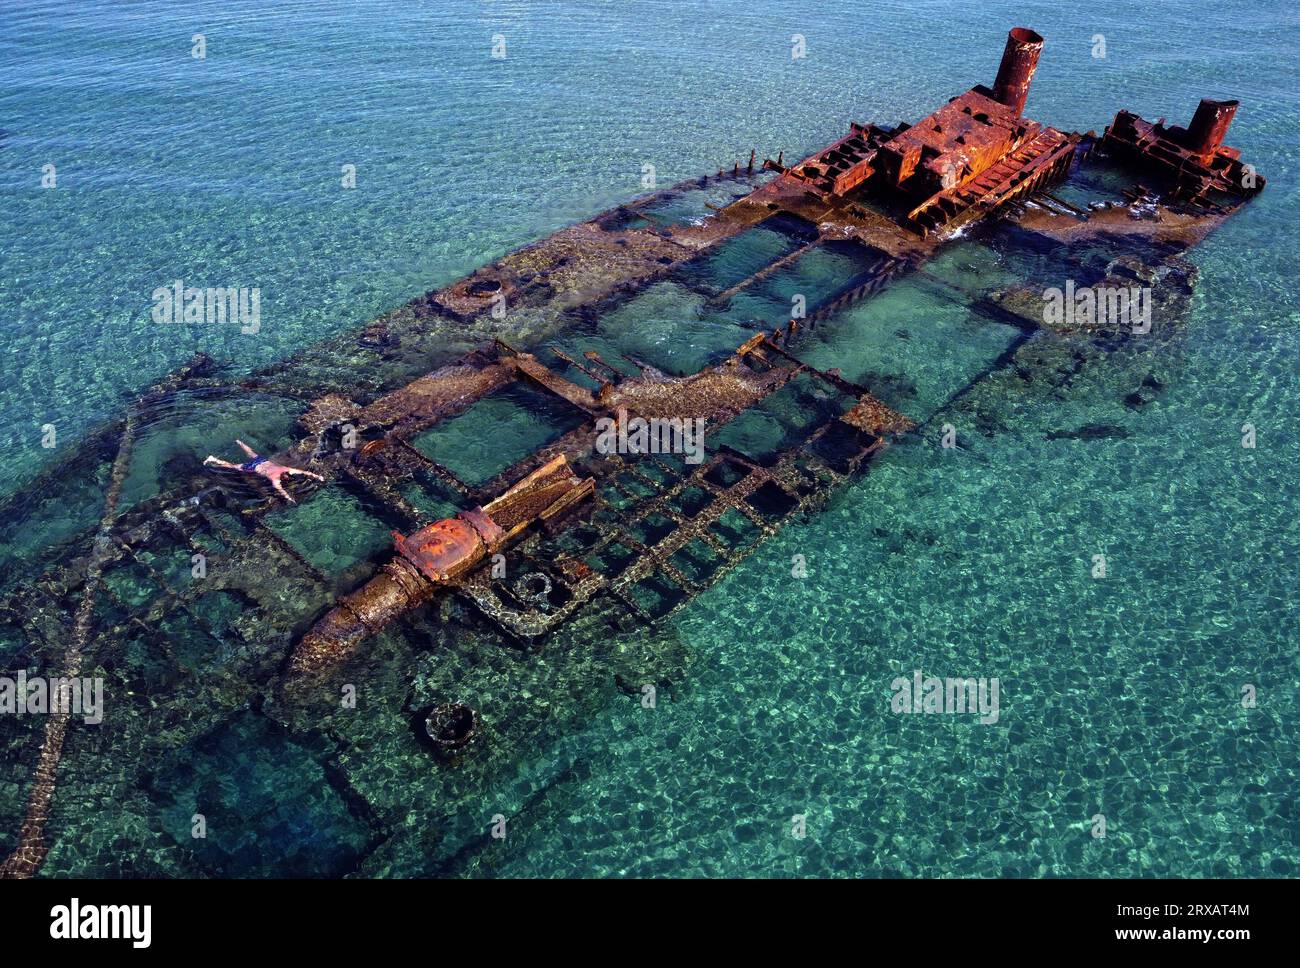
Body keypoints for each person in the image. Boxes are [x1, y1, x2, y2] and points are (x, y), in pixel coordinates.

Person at [204, 439, 324, 503]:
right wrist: (289, 498)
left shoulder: (284, 469)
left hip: (261, 461)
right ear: (285, 477)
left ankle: (239, 442)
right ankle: (213, 459)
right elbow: (281, 490)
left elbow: (304, 472)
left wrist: (317, 476)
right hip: (252, 468)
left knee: (251, 453)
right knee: (232, 466)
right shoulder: (275, 478)